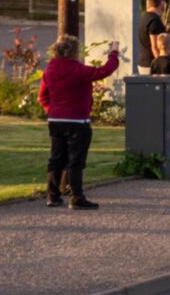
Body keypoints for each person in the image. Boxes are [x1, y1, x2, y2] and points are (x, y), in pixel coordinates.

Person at [38, 35, 120, 210]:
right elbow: (104, 71)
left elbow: (42, 96)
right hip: (77, 120)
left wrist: (52, 110)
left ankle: (52, 196)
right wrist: (114, 52)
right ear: (74, 52)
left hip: (56, 119)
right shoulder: (78, 70)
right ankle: (76, 196)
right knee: (76, 160)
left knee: (56, 158)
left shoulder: (49, 70)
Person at [138, 0, 168, 75]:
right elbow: (155, 47)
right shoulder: (155, 21)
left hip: (144, 63)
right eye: (165, 1)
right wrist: (163, 68)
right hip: (152, 66)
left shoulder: (144, 17)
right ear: (161, 2)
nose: (165, 4)